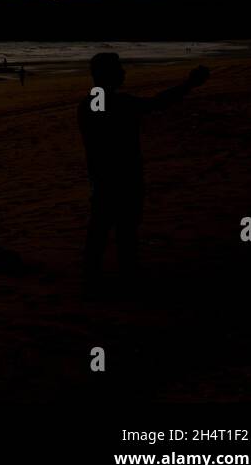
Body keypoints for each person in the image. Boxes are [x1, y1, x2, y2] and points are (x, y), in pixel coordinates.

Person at [77, 54, 209, 291]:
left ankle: (93, 276)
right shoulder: (121, 104)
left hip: (101, 177)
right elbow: (157, 103)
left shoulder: (87, 106)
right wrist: (189, 84)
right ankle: (124, 276)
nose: (124, 72)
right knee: (124, 230)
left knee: (100, 228)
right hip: (125, 177)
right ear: (109, 74)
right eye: (119, 69)